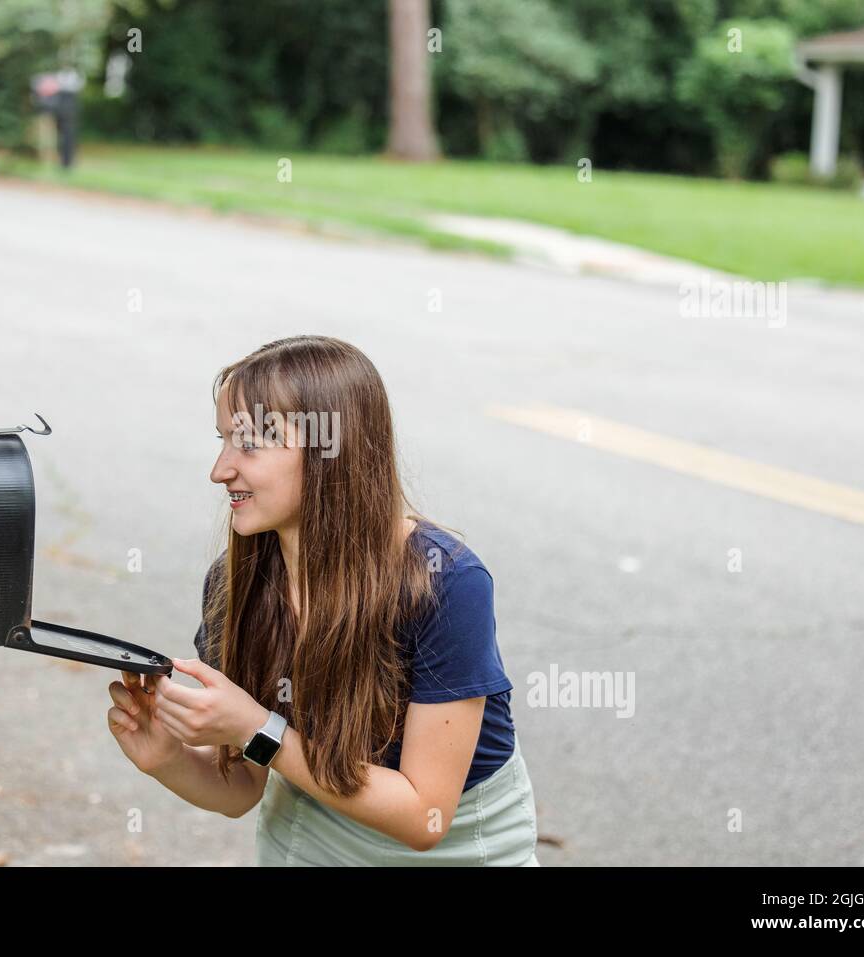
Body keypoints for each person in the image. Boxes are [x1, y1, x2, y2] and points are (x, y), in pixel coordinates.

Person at [106, 335, 539, 866]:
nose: (219, 470)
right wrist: (168, 759)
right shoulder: (236, 580)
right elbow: (242, 787)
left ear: (331, 451)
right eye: (222, 440)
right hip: (307, 843)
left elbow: (424, 815)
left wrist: (255, 727)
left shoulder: (444, 582)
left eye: (250, 443)